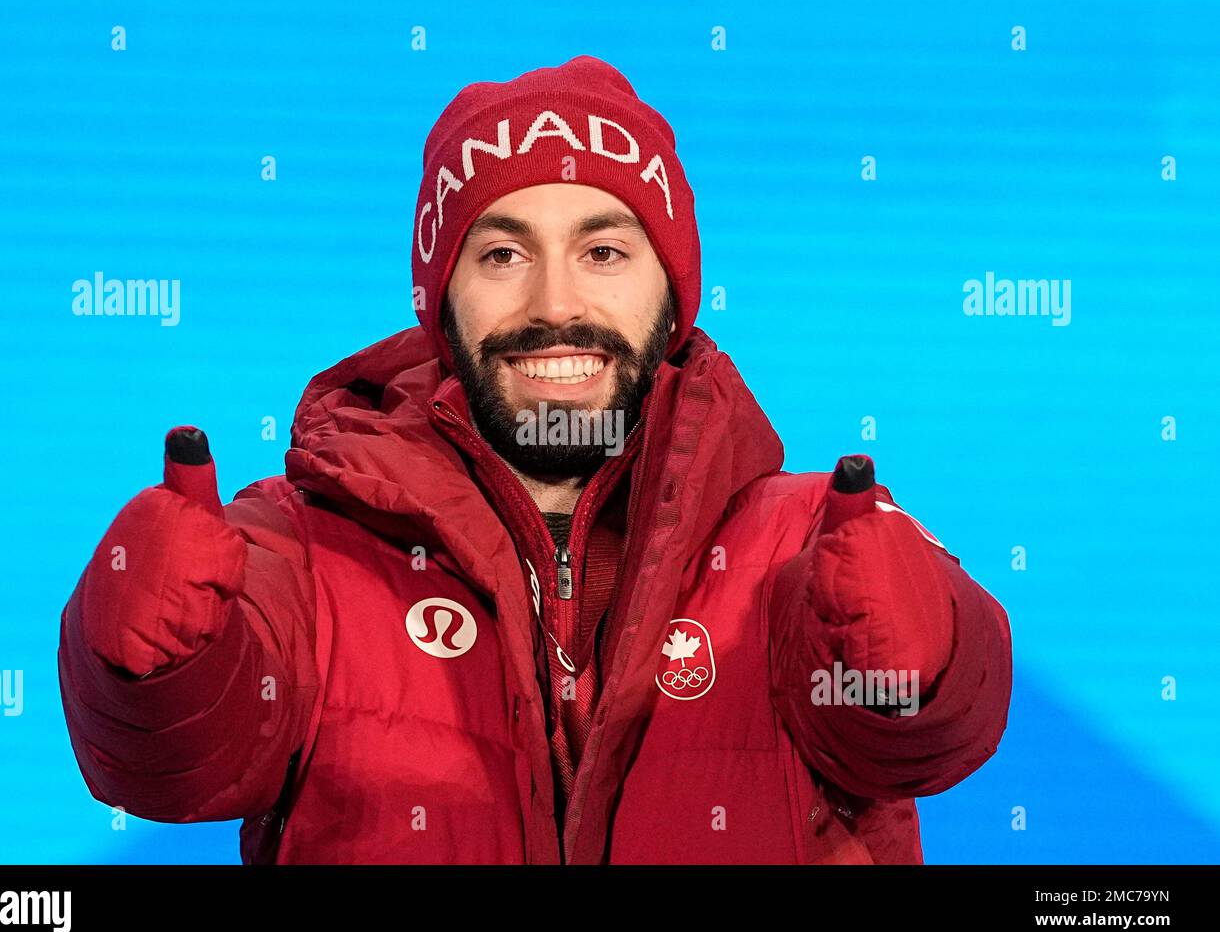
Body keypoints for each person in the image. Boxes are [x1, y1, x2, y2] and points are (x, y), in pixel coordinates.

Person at [57, 55, 1012, 864]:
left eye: (603, 251)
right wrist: (150, 667)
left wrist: (920, 661)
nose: (556, 303)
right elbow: (180, 762)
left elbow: (926, 735)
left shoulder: (803, 538)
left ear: (674, 299)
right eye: (503, 256)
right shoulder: (304, 544)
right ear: (443, 303)